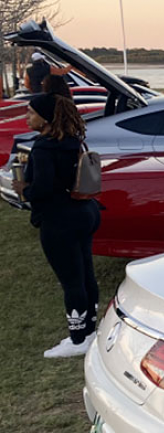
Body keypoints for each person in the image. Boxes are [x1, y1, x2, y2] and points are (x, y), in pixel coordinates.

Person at [12, 94, 101, 357]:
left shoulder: (43, 148)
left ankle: (77, 340)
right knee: (85, 272)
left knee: (71, 281)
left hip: (60, 220)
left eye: (31, 113)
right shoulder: (73, 142)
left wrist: (24, 188)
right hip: (85, 212)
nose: (27, 117)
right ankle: (90, 328)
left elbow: (44, 188)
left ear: (47, 118)